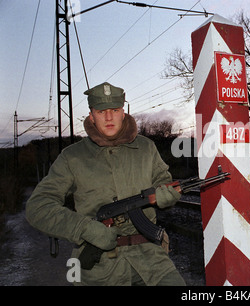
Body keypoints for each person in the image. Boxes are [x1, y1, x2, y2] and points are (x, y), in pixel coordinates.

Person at [26, 82, 186, 286]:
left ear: (124, 113)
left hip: (152, 260)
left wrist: (166, 195)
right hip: (98, 270)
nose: (109, 117)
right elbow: (38, 207)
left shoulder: (146, 148)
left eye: (115, 110)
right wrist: (85, 229)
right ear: (92, 115)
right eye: (101, 111)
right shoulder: (72, 157)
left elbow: (163, 182)